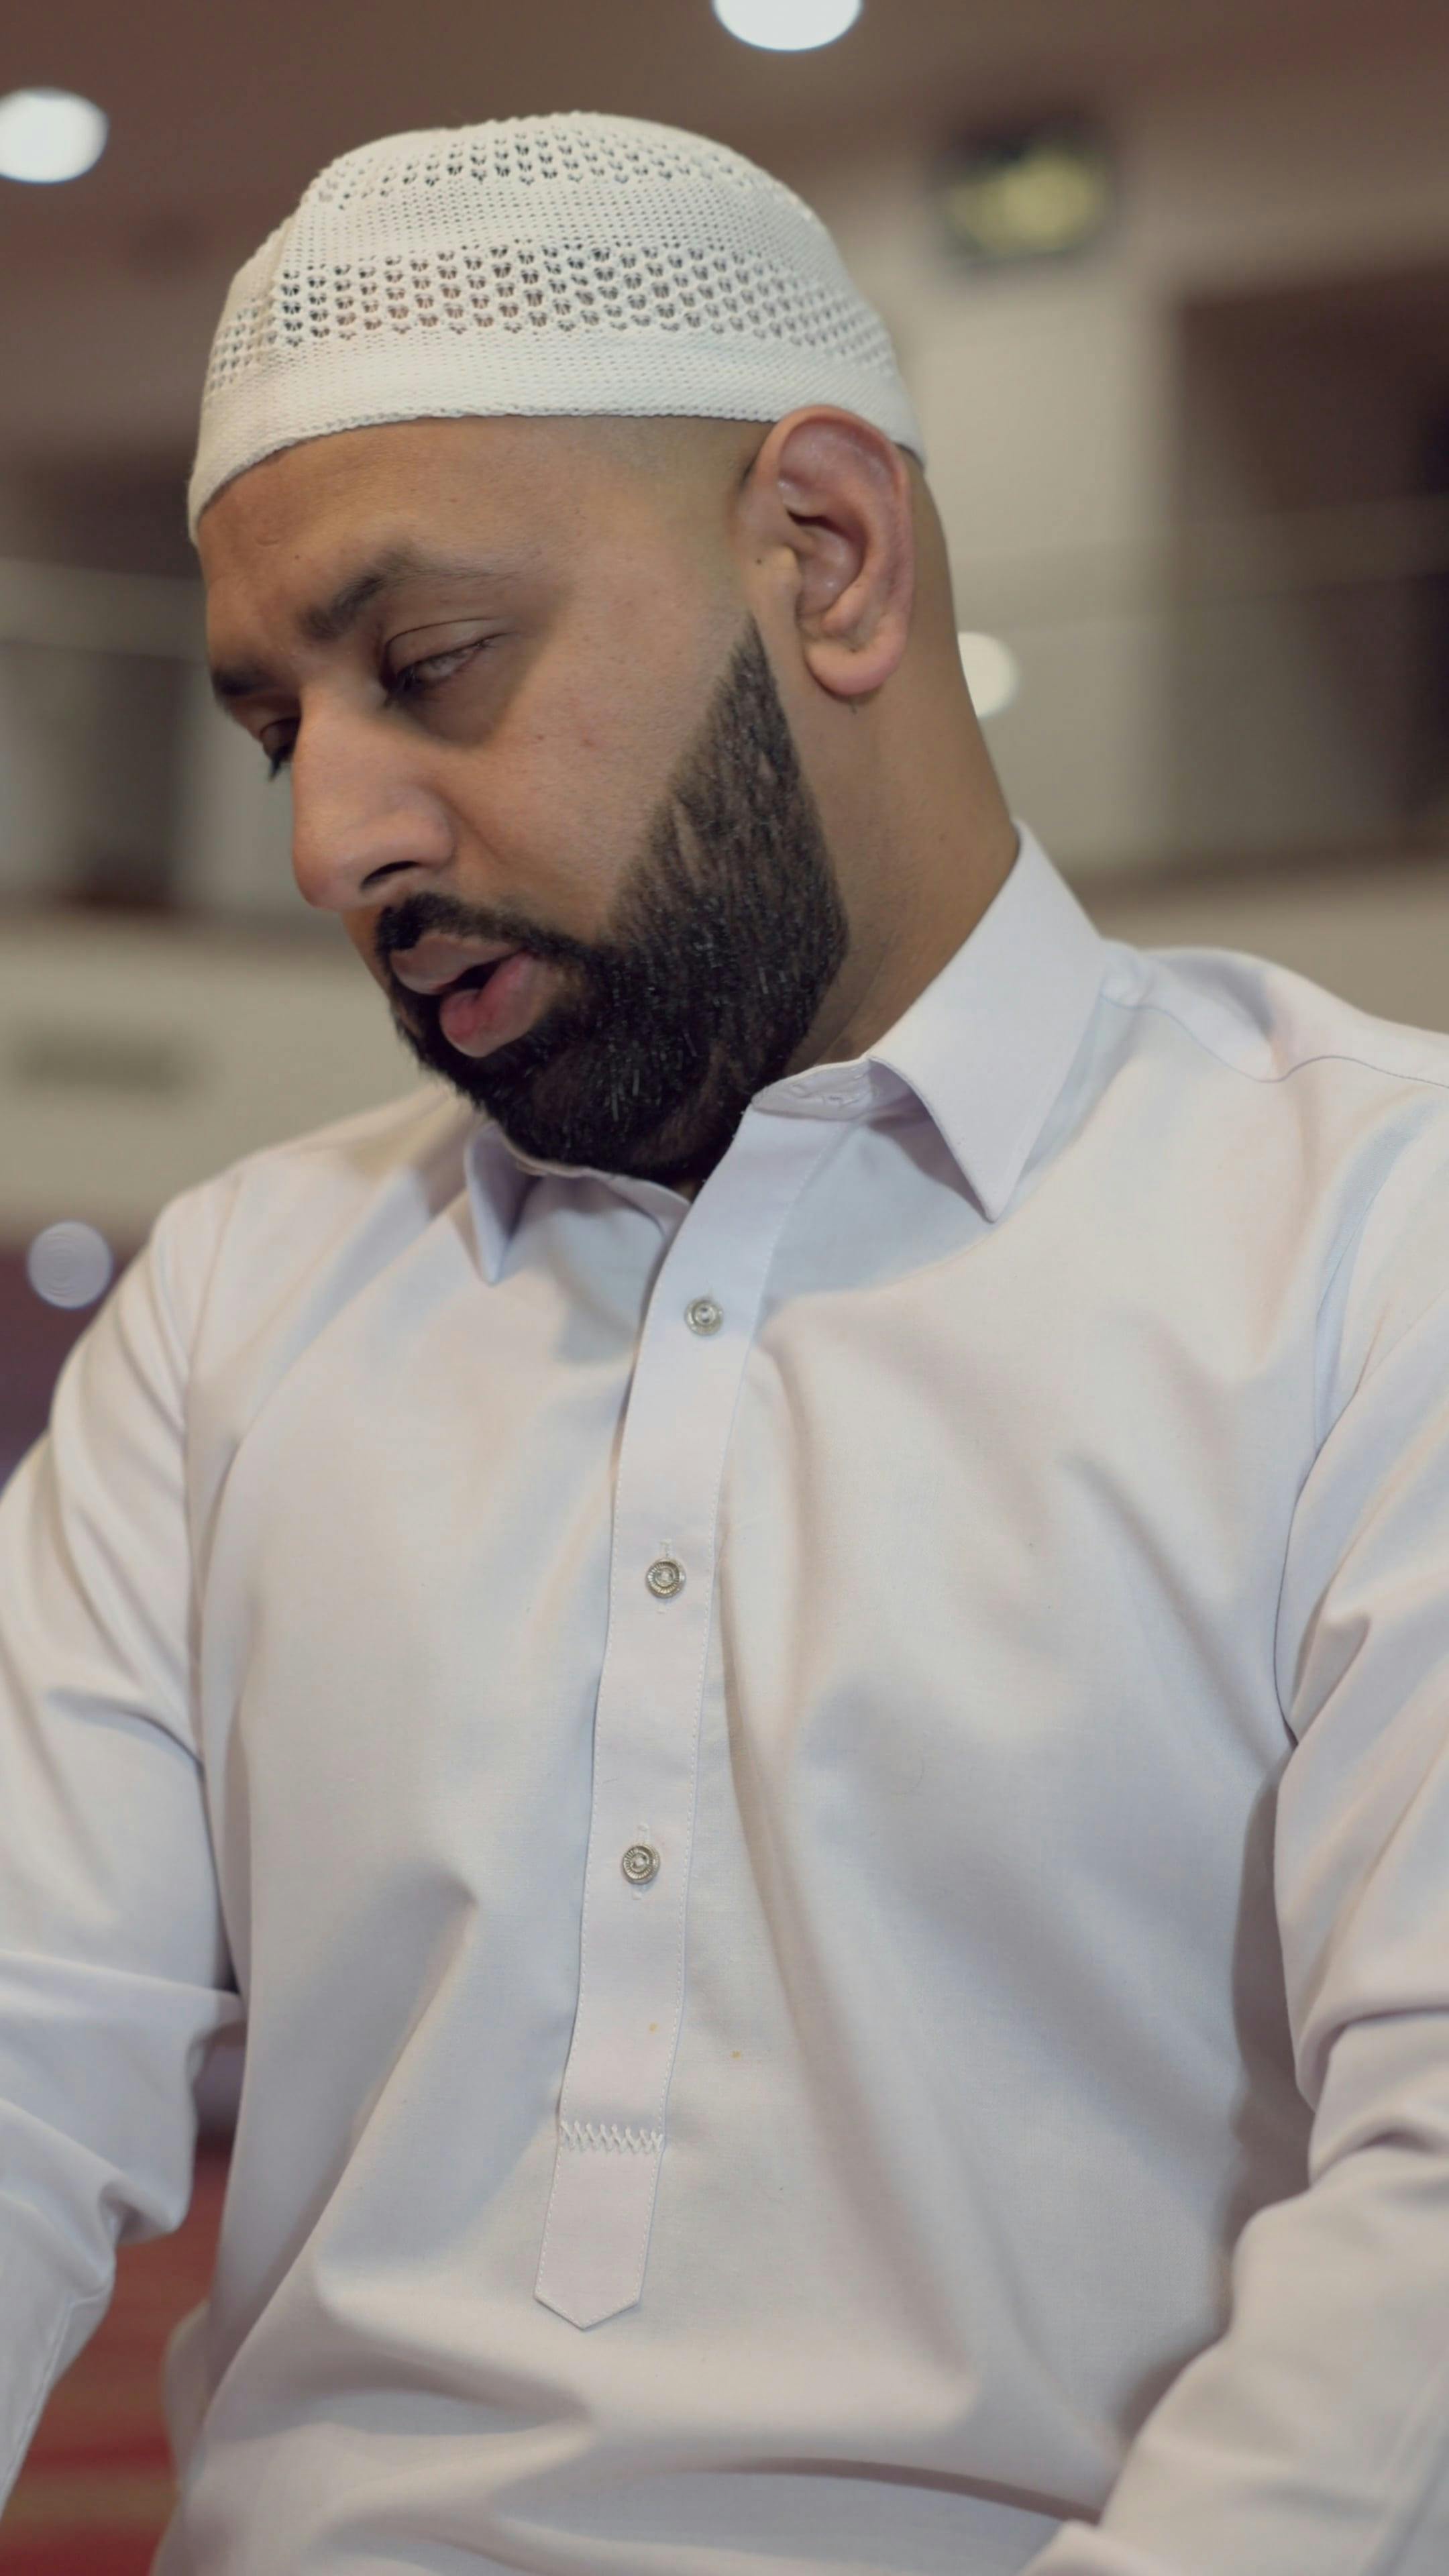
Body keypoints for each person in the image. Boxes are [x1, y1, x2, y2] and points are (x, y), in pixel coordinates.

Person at [2, 107, 1448, 2576]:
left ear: (829, 557)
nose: (329, 834)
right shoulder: (240, 1307)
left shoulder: (1372, 1232)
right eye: (275, 729)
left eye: (427, 666)